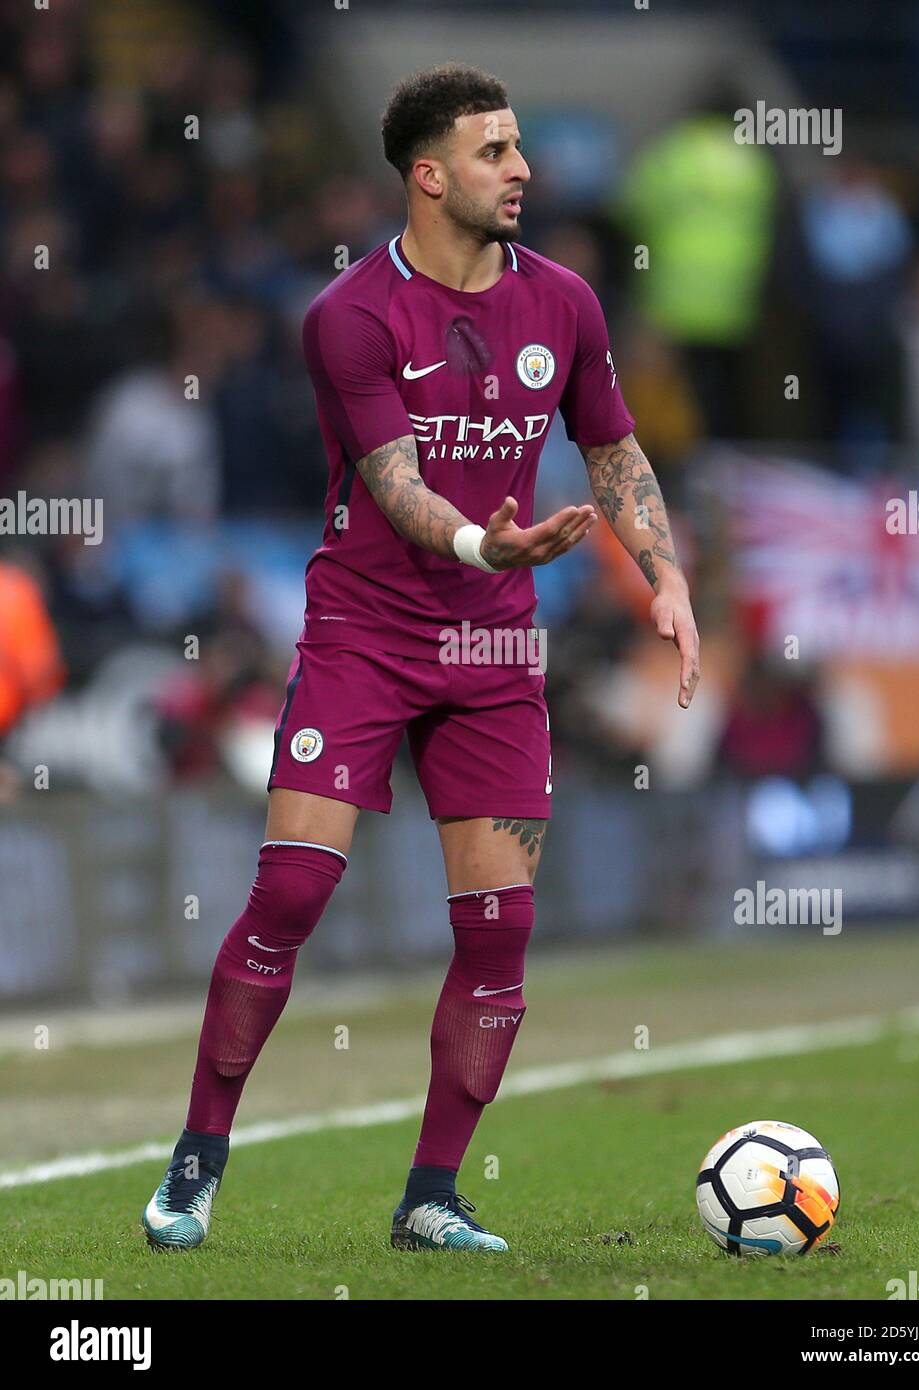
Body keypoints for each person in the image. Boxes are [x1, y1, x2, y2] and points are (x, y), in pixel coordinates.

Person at [142, 64, 699, 1254]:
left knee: (496, 929)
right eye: (496, 151)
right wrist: (479, 537)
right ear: (427, 173)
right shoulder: (348, 314)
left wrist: (667, 576)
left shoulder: (566, 303)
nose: (524, 171)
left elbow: (613, 455)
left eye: (519, 149)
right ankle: (196, 1162)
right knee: (291, 890)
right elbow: (395, 485)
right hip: (364, 635)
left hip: (493, 645)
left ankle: (431, 1194)